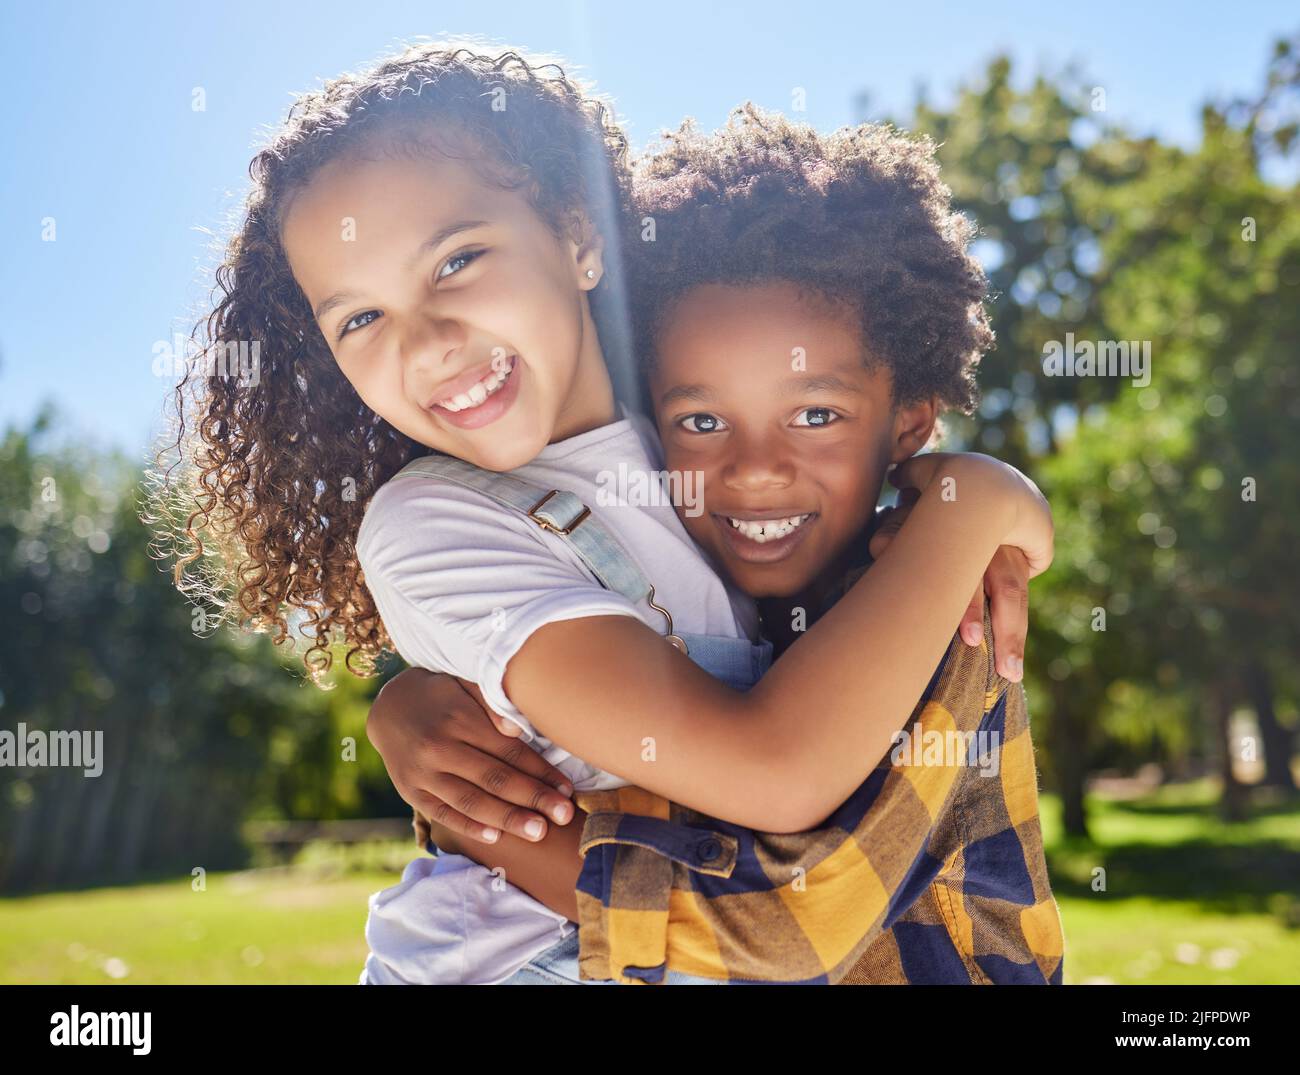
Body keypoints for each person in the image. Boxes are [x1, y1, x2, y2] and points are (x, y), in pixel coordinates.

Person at [154, 41, 1052, 985]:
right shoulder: (431, 524)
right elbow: (776, 770)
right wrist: (974, 504)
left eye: (457, 260)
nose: (427, 345)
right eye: (360, 319)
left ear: (578, 234)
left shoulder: (692, 438)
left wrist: (972, 507)